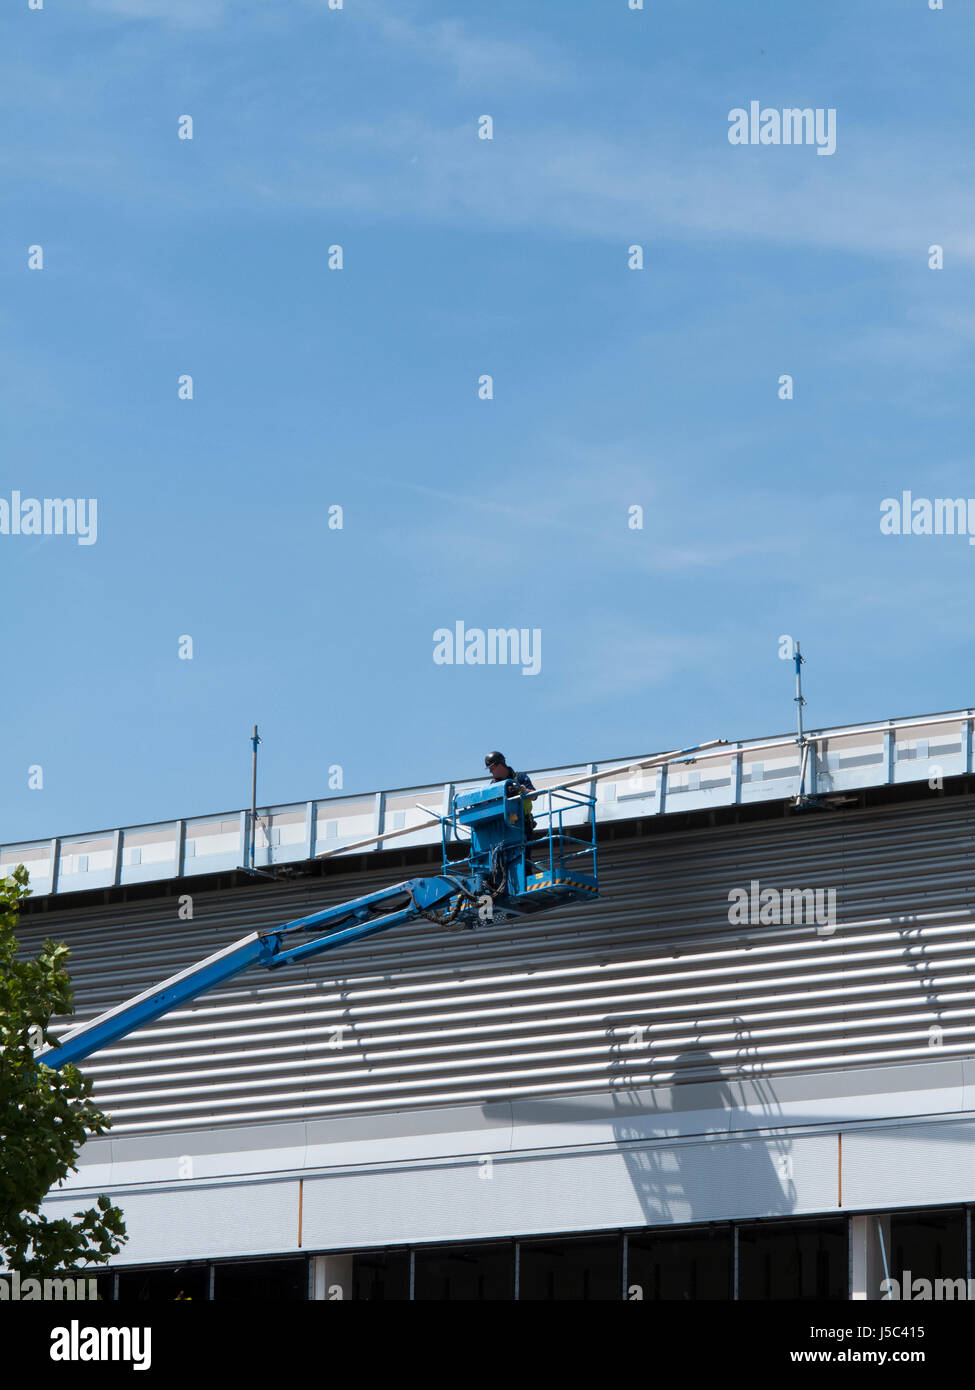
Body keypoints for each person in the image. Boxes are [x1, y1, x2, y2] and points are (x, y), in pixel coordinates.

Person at [484, 752, 537, 836]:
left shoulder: (519, 777)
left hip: (523, 824)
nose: (490, 771)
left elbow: (535, 796)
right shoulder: (493, 785)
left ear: (500, 765)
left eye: (492, 768)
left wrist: (525, 791)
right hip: (504, 827)